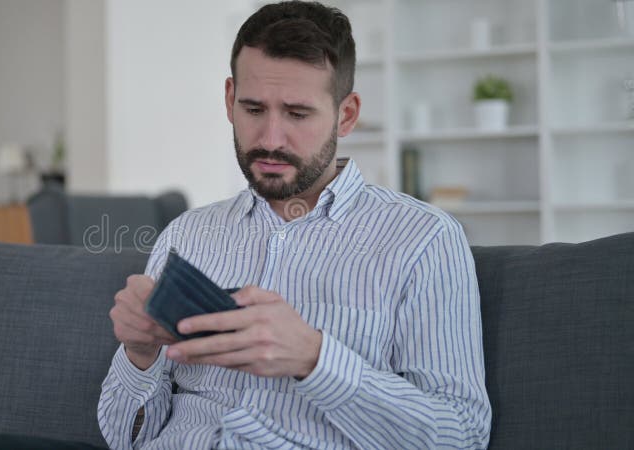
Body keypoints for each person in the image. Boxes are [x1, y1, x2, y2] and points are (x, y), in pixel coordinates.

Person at [98, 1, 491, 449]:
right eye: (253, 109)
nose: (269, 138)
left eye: (297, 114)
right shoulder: (186, 235)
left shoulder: (423, 240)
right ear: (230, 100)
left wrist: (314, 358)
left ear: (346, 114)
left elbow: (461, 436)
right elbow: (121, 438)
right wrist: (140, 355)